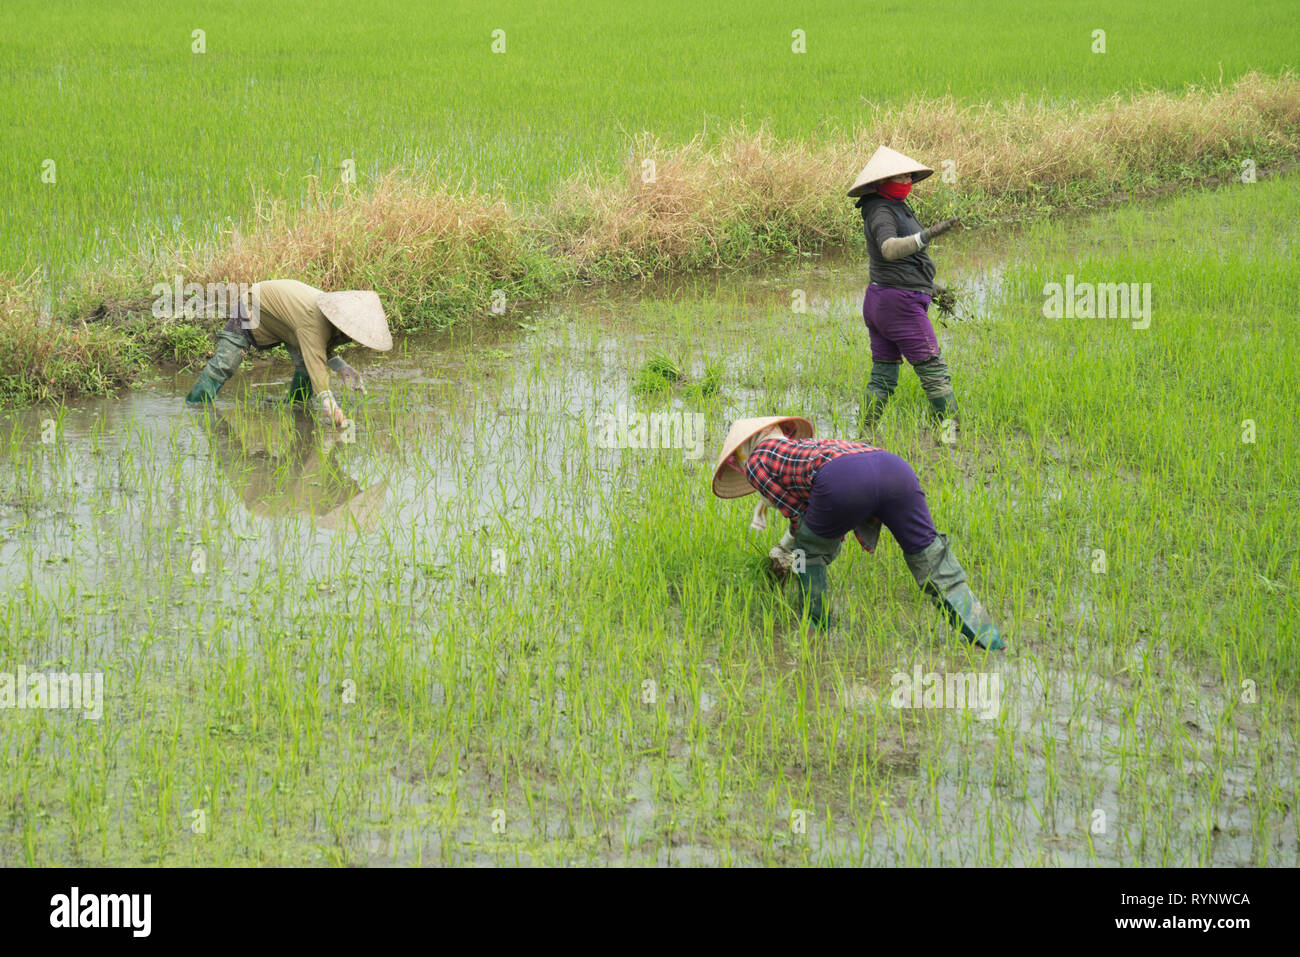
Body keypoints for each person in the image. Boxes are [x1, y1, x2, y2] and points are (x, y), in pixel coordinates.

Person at [711, 416, 1004, 650]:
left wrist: (786, 549)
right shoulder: (807, 445)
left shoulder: (755, 463)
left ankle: (815, 631)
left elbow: (798, 514)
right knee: (932, 557)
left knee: (805, 555)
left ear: (742, 450)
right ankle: (989, 640)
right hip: (894, 468)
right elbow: (821, 506)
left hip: (842, 480)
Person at [847, 146, 962, 428]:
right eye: (900, 177)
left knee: (883, 373)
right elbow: (888, 249)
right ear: (881, 181)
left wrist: (931, 287)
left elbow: (901, 266)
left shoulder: (894, 206)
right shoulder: (881, 211)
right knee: (933, 370)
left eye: (910, 176)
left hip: (881, 300)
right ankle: (951, 432)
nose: (907, 181)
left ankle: (866, 431)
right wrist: (928, 235)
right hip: (900, 305)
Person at [185, 279, 392, 430]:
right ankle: (194, 407)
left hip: (286, 321)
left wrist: (342, 368)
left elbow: (320, 347)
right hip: (254, 307)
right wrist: (328, 401)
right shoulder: (313, 320)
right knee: (225, 364)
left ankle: (298, 408)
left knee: (304, 365)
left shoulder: (330, 318)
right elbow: (315, 359)